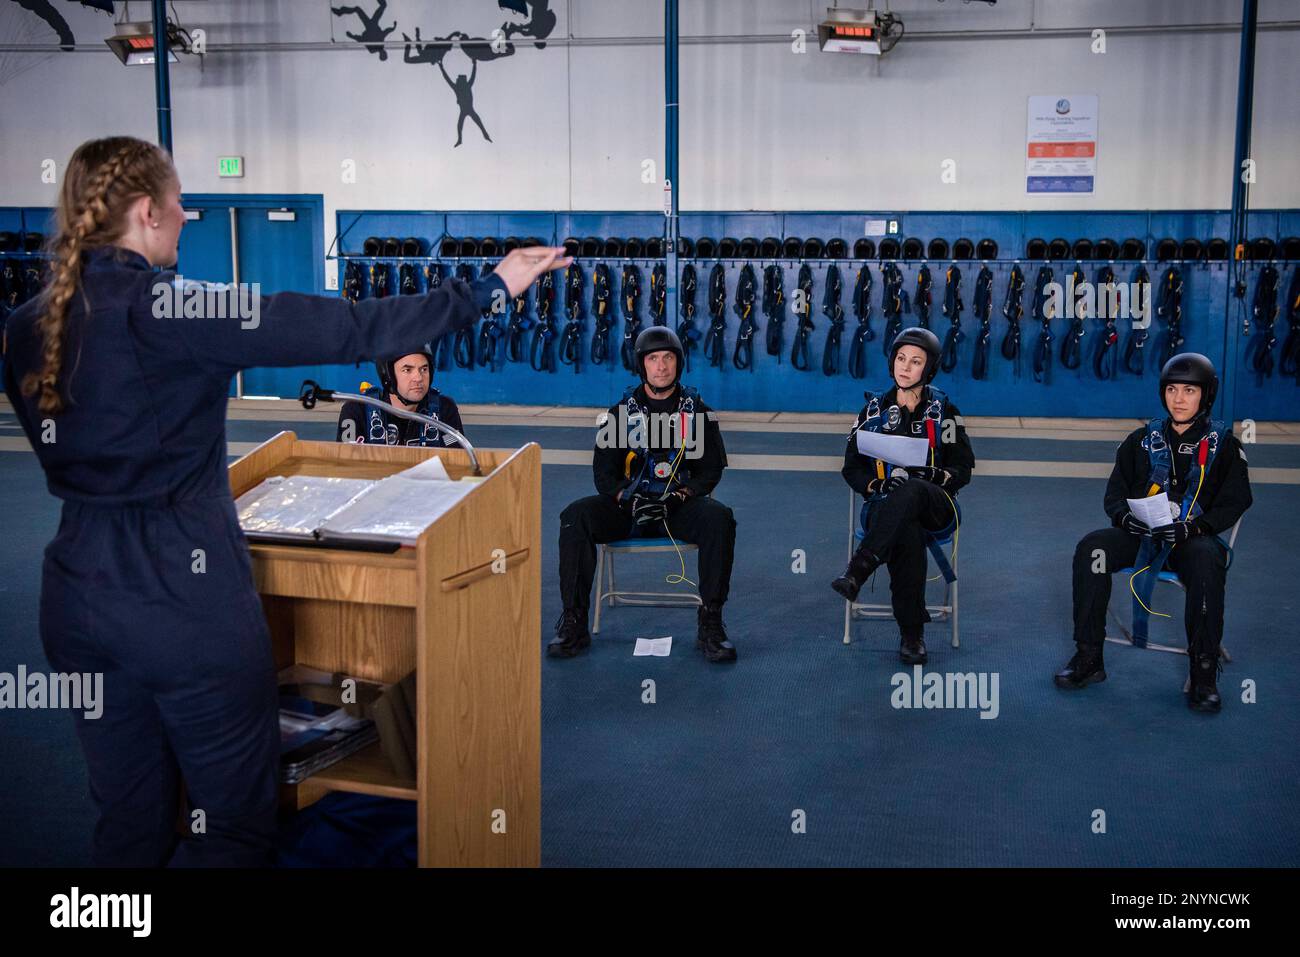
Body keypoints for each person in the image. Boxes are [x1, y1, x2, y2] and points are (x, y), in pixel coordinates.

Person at [0, 135, 567, 866]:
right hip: (182, 601)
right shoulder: (176, 310)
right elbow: (346, 326)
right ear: (145, 212)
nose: (184, 213)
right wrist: (487, 289)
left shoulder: (27, 325)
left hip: (76, 599)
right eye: (178, 202)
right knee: (233, 824)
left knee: (129, 823)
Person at [1054, 353, 1252, 712]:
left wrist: (1196, 527)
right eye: (1172, 390)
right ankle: (1089, 656)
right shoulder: (1141, 439)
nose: (1178, 399)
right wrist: (1123, 518)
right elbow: (1115, 493)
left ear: (1205, 396)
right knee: (1092, 549)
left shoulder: (1223, 444)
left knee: (1209, 560)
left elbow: (1236, 502)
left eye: (1189, 391)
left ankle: (1204, 671)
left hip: (1192, 540)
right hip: (1142, 534)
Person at [549, 326, 738, 662]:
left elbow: (711, 470)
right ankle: (574, 622)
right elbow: (603, 474)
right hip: (629, 510)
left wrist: (682, 495)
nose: (662, 366)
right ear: (642, 365)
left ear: (678, 363)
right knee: (575, 516)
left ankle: (711, 620)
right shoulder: (622, 413)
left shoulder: (697, 411)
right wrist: (628, 498)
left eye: (668, 358)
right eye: (654, 359)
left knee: (719, 518)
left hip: (677, 509)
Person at [832, 326, 976, 665]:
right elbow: (851, 468)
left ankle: (859, 567)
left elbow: (963, 469)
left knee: (912, 491)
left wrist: (935, 476)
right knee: (906, 530)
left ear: (929, 369)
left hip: (936, 505)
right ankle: (912, 634)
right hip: (883, 506)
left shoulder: (944, 412)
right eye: (900, 358)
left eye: (915, 361)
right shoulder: (870, 412)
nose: (905, 367)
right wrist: (875, 486)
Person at [335, 349, 466, 447]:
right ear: (388, 376)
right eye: (407, 370)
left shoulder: (445, 409)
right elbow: (345, 464)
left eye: (424, 369)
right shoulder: (356, 411)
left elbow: (456, 460)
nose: (419, 378)